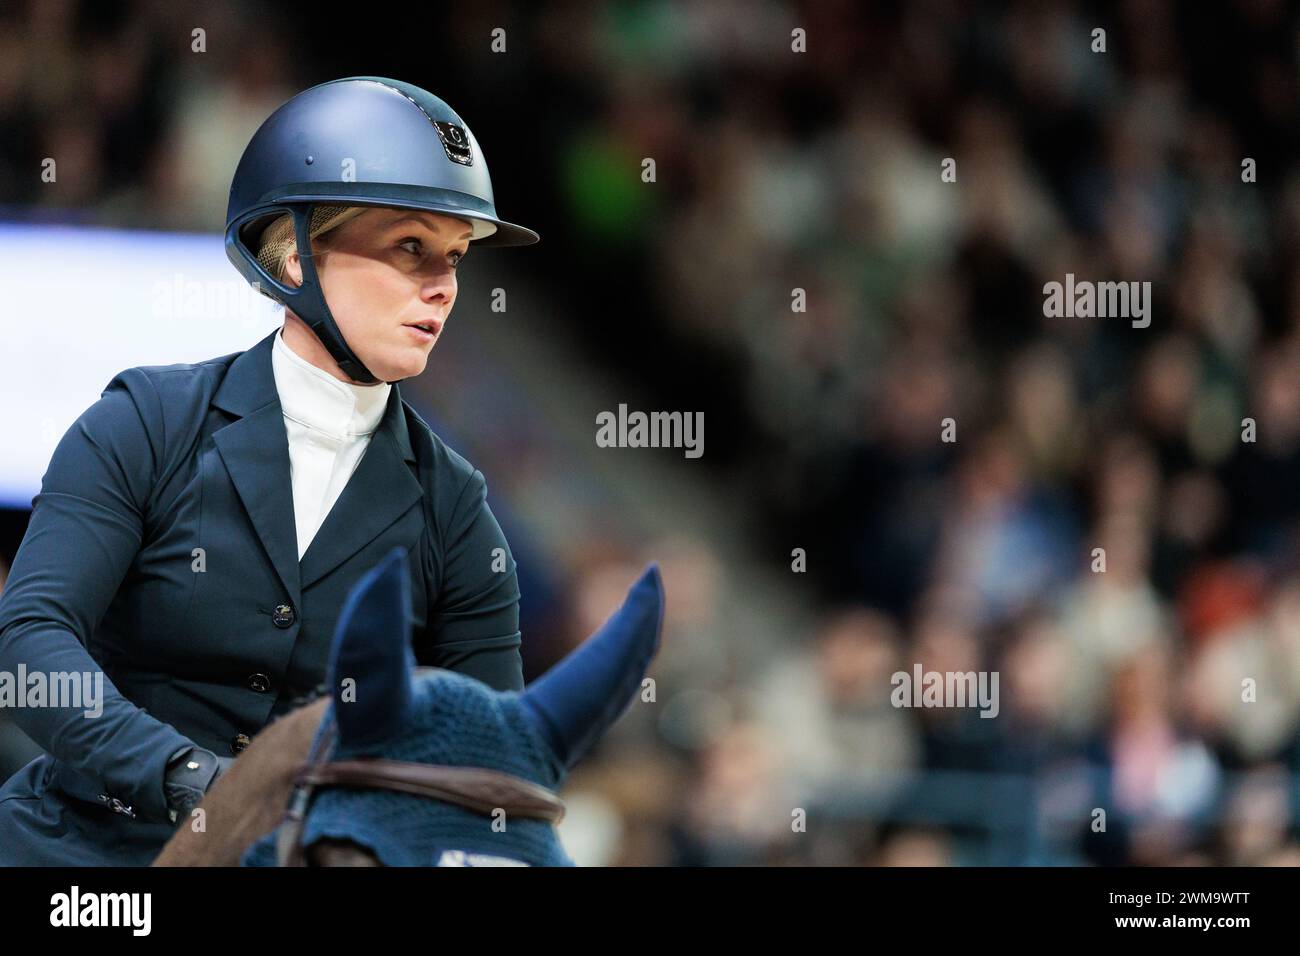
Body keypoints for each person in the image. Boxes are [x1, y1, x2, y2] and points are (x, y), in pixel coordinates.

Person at [0, 77, 539, 865]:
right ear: (290, 254)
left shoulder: (457, 512)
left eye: (455, 257)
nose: (444, 287)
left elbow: (490, 761)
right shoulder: (146, 421)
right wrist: (188, 776)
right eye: (410, 248)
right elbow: (31, 642)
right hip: (88, 854)